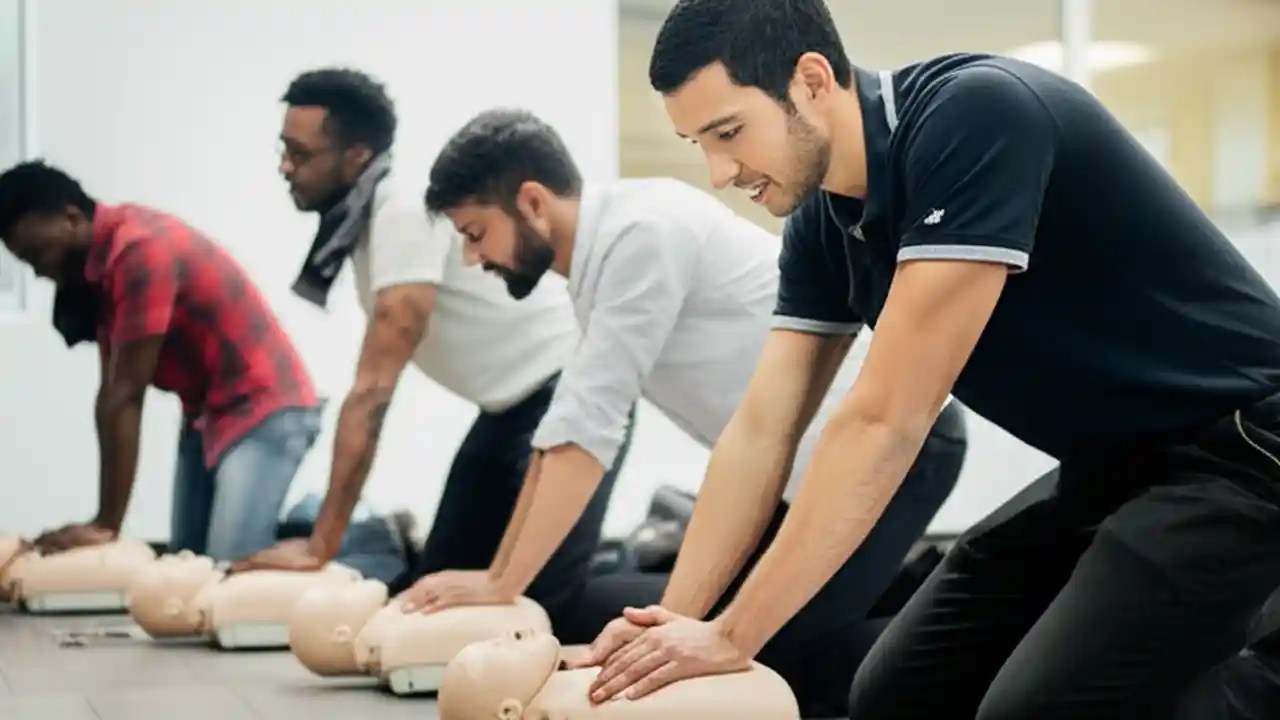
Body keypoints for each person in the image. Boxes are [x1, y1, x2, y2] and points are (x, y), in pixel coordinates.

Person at [574, 1, 1280, 718]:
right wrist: (671, 625)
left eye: (729, 132)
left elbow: (886, 421)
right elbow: (761, 431)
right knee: (895, 695)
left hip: (1246, 451)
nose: (720, 171)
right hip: (1117, 467)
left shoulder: (975, 119)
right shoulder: (823, 223)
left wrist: (733, 634)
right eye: (698, 142)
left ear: (812, 80)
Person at [417, 106, 968, 717]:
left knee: (776, 665)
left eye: (474, 234)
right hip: (799, 475)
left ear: (532, 203)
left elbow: (586, 435)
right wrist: (500, 579)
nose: (472, 260)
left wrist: (501, 585)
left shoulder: (640, 232)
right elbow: (565, 429)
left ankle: (994, 631)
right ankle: (913, 586)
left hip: (895, 446)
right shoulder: (600, 260)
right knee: (706, 636)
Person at [232, 68, 631, 629]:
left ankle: (670, 595)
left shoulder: (399, 213)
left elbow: (372, 391)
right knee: (433, 594)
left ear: (356, 155)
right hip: (505, 412)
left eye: (301, 153)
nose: (286, 166)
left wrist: (321, 545)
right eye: (284, 150)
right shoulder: (362, 223)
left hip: (564, 394)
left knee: (542, 607)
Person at [0, 160, 323, 562]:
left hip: (266, 409)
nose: (40, 272)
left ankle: (358, 541)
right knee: (186, 564)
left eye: (39, 254)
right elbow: (112, 393)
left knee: (229, 566)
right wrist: (104, 523)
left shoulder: (139, 250)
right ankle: (296, 536)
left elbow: (125, 395)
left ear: (71, 217)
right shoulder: (96, 269)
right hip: (207, 414)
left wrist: (105, 525)